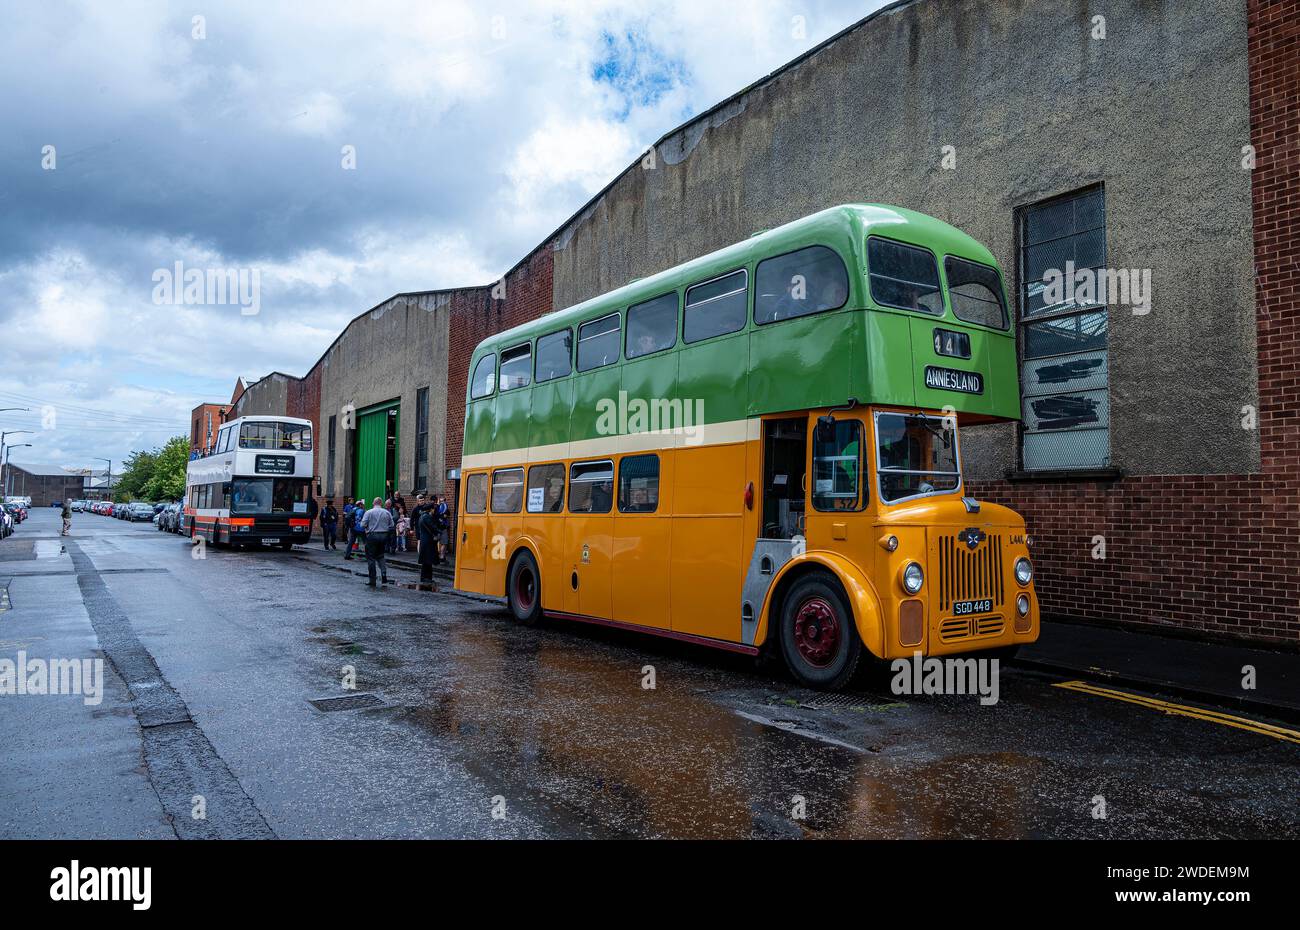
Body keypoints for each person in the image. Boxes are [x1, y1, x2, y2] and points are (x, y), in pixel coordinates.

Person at [360, 497, 394, 586]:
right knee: (380, 556)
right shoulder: (387, 512)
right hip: (383, 536)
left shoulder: (369, 512)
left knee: (371, 558)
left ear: (373, 503)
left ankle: (372, 580)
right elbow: (391, 525)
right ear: (381, 504)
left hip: (372, 536)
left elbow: (362, 524)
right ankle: (383, 575)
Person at [416, 503, 439, 583]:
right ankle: (426, 578)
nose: (434, 510)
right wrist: (439, 531)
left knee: (426, 560)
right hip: (428, 541)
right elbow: (433, 527)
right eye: (433, 509)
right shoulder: (427, 517)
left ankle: (426, 577)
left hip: (424, 540)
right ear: (431, 509)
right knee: (428, 560)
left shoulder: (422, 516)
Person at [434, 494, 451, 563]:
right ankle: (441, 556)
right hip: (442, 527)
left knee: (438, 542)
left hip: (436, 527)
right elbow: (446, 514)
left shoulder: (435, 507)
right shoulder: (444, 506)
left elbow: (447, 514)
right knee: (444, 542)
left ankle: (440, 556)